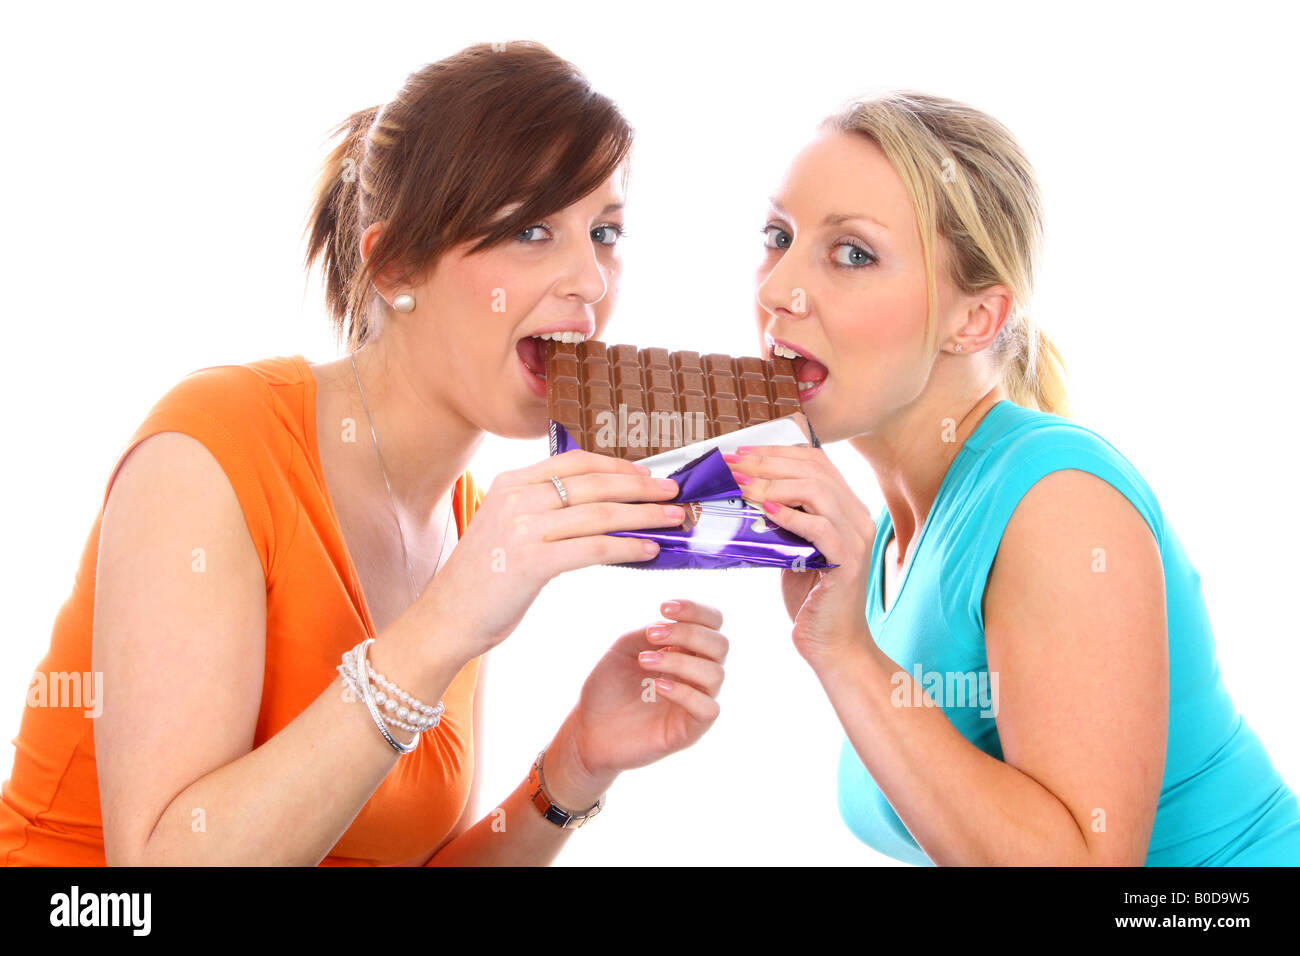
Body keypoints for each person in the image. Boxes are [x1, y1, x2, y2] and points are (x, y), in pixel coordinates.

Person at [0, 41, 727, 866]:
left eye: (604, 232)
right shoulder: (211, 449)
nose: (591, 282)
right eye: (531, 229)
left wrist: (574, 768)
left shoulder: (465, 523)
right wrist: (442, 625)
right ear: (393, 266)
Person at [726, 90, 1300, 865]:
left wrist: (849, 656)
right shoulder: (888, 540)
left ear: (975, 319)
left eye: (852, 253)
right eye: (778, 236)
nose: (776, 291)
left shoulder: (1058, 504)